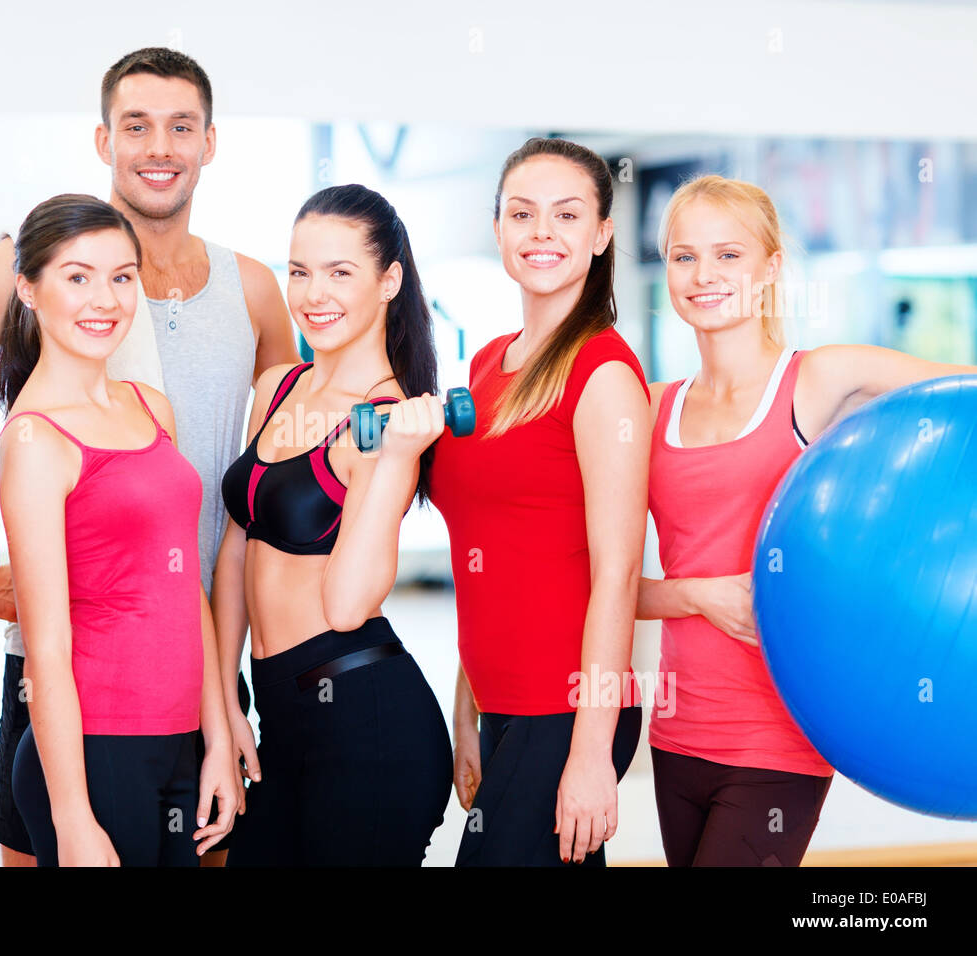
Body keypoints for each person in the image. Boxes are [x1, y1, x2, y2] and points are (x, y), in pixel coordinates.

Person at [0, 48, 298, 867]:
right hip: (66, 667)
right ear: (102, 139)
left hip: (197, 656)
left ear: (211, 142)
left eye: (180, 126)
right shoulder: (28, 264)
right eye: (136, 126)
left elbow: (279, 474)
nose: (159, 146)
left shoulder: (255, 290)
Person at [637, 174, 977, 867]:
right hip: (677, 732)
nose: (705, 275)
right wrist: (695, 594)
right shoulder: (649, 407)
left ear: (772, 269)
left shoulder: (820, 378)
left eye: (729, 255)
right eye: (684, 256)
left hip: (779, 738)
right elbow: (594, 581)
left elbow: (963, 394)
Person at [0, 193, 238, 867]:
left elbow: (186, 584)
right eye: (77, 277)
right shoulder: (36, 439)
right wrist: (72, 816)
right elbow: (45, 645)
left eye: (121, 277)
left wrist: (215, 740)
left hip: (178, 740)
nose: (104, 299)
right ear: (29, 288)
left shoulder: (149, 406)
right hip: (96, 750)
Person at [429, 137, 651, 867]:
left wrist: (590, 752)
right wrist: (469, 709)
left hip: (567, 714)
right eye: (522, 214)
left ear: (601, 234)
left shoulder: (602, 373)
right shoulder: (489, 362)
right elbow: (486, 550)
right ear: (497, 229)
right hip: (506, 708)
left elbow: (616, 572)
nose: (542, 233)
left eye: (566, 214)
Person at [217, 183, 453, 866]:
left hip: (367, 725)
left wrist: (397, 459)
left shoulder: (387, 418)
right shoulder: (278, 387)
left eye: (339, 272)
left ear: (389, 281)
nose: (313, 293)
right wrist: (225, 700)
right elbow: (237, 547)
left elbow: (348, 604)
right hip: (278, 716)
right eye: (299, 271)